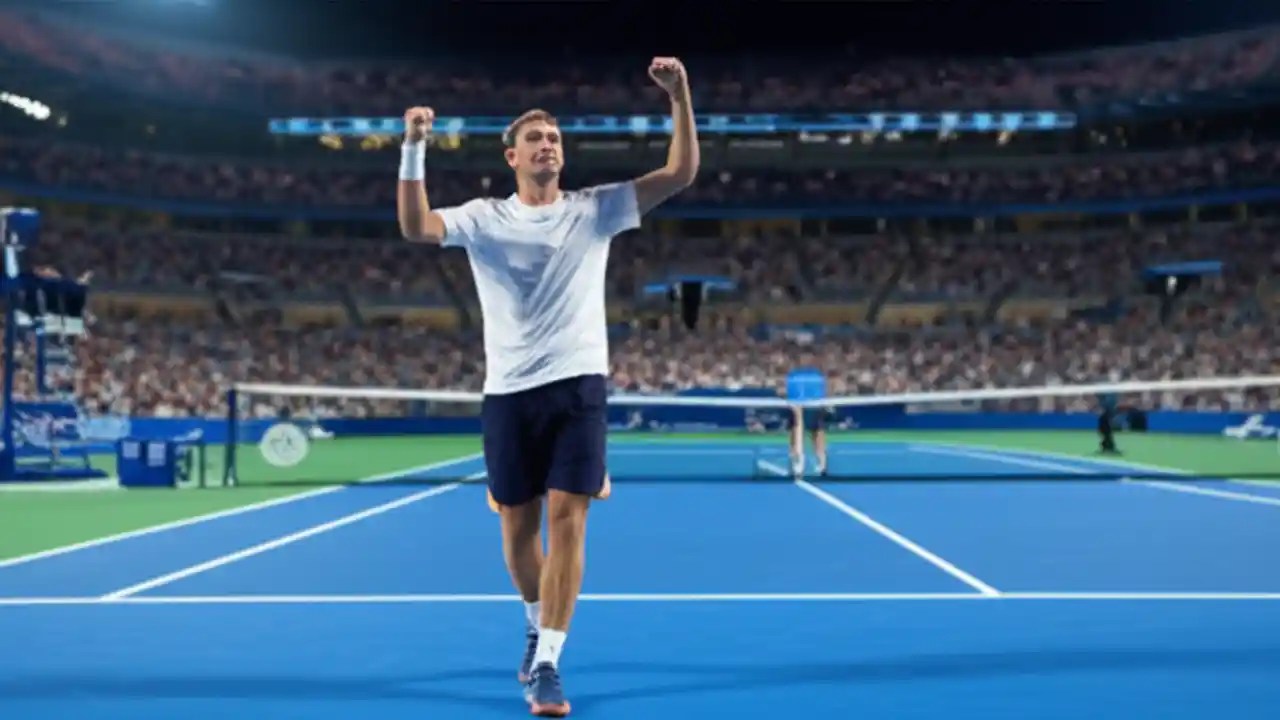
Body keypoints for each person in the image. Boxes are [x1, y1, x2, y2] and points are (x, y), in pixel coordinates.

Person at [395, 58, 699, 717]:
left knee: (568, 520)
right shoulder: (482, 217)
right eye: (535, 138)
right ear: (512, 156)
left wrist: (679, 97)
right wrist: (414, 147)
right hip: (508, 393)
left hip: (578, 388)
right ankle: (537, 622)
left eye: (555, 138)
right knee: (516, 529)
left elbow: (680, 173)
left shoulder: (596, 210)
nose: (548, 144)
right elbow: (417, 227)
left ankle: (550, 662)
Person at [789, 403, 834, 477]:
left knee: (817, 432)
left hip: (814, 403)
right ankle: (796, 462)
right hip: (797, 402)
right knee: (796, 430)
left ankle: (822, 464)